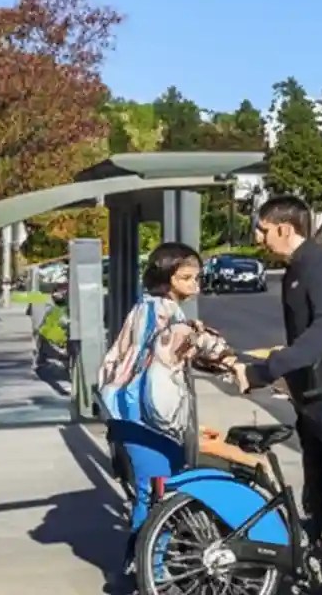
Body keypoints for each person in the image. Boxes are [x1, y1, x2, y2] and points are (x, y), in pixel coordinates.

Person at [97, 241, 264, 574]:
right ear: (168, 278)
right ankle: (151, 572)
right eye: (188, 277)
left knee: (153, 495)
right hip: (144, 423)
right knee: (157, 496)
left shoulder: (147, 308)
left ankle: (142, 566)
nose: (196, 284)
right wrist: (229, 358)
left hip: (136, 419)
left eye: (197, 277)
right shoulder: (162, 311)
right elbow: (185, 339)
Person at [233, 194, 322, 595]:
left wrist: (262, 371)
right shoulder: (294, 270)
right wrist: (286, 380)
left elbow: (320, 336)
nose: (257, 237)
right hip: (310, 399)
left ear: (284, 228)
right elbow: (301, 342)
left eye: (262, 229)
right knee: (317, 500)